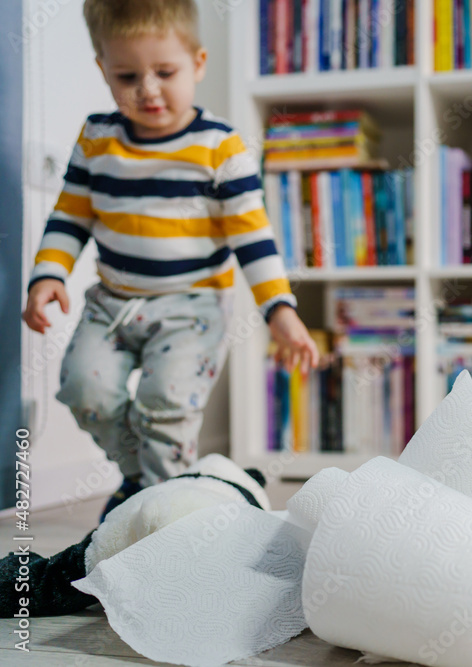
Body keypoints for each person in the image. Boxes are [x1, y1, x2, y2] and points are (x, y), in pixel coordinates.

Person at [21, 0, 318, 522]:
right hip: (112, 301)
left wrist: (280, 311)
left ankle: (168, 515)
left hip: (192, 306)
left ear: (198, 63)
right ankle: (142, 479)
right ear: (103, 71)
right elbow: (70, 215)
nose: (149, 89)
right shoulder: (97, 139)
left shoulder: (219, 149)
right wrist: (49, 273)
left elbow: (254, 239)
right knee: (84, 387)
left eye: (165, 72)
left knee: (166, 404)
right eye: (127, 75)